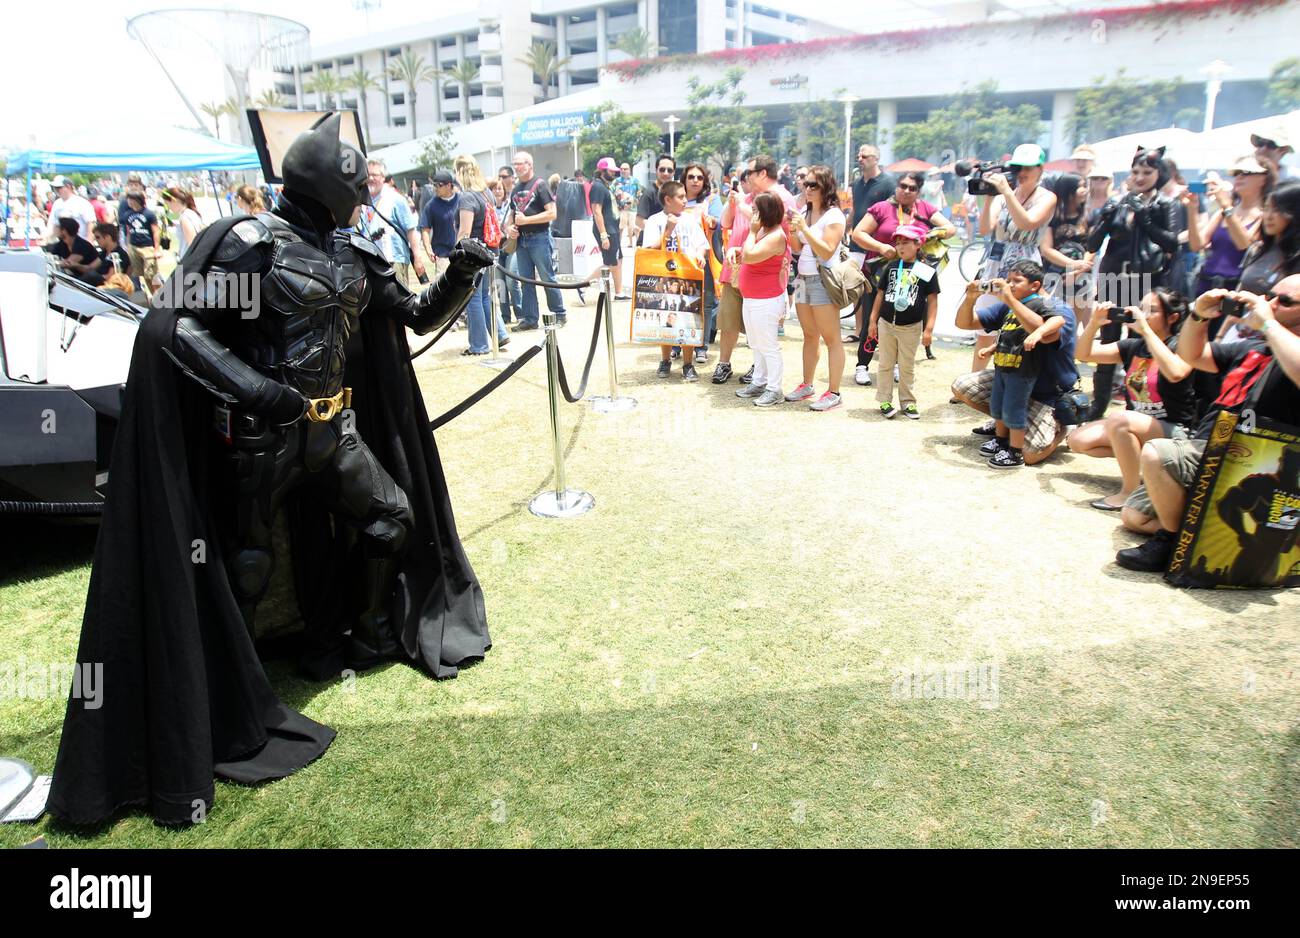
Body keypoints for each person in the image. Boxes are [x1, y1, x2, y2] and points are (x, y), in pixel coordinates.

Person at [46, 113, 495, 828]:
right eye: (353, 181)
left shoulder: (352, 251)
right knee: (243, 562)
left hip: (333, 429)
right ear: (325, 184)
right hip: (261, 438)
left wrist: (463, 273)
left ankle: (368, 634)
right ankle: (237, 684)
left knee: (391, 518)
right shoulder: (250, 247)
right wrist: (257, 391)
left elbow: (412, 313)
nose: (362, 192)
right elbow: (174, 327)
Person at [1116, 277, 1300, 571]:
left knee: (1155, 454)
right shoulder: (1250, 347)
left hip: (1252, 457)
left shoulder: (1284, 346)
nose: (1272, 303)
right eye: (1271, 295)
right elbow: (1192, 355)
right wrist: (1199, 315)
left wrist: (1268, 324)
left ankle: (1172, 541)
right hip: (1206, 447)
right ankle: (1200, 528)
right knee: (1134, 517)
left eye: (1285, 301)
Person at [1068, 290, 1197, 509]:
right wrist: (1094, 324)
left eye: (1151, 311)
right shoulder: (1134, 347)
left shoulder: (1183, 346)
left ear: (1173, 317)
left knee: (1120, 420)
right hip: (1137, 424)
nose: (1142, 315)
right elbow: (1083, 354)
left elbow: (1176, 373)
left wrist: (1146, 331)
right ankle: (1145, 469)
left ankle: (1129, 491)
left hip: (1176, 430)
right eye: (1141, 308)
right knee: (1078, 441)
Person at [1084, 147, 1181, 420]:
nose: (1140, 177)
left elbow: (1171, 242)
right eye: (1136, 172)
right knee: (1108, 342)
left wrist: (1145, 217)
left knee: (1141, 346)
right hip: (1114, 281)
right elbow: (1091, 244)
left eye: (1147, 172)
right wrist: (1104, 219)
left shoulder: (1166, 204)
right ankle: (1098, 404)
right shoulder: (1119, 203)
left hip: (1146, 284)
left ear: (1159, 174)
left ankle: (1134, 405)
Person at [953, 262, 1078, 467]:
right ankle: (1004, 431)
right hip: (1010, 373)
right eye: (1008, 280)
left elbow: (1046, 335)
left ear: (1035, 285)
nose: (1009, 285)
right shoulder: (1010, 305)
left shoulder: (1056, 308)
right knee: (963, 386)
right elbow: (965, 323)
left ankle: (1062, 427)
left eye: (1016, 281)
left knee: (1030, 455)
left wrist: (1010, 300)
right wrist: (970, 299)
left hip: (1047, 393)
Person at [850, 171, 955, 386]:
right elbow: (858, 233)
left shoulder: (925, 209)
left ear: (919, 191)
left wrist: (929, 236)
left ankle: (898, 365)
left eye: (912, 188)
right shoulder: (881, 208)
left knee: (906, 320)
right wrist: (881, 247)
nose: (906, 191)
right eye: (903, 186)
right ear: (896, 186)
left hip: (913, 278)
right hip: (881, 274)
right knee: (874, 318)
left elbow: (950, 228)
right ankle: (863, 365)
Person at [970, 144, 1058, 374]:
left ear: (1040, 168)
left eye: (1028, 167)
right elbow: (985, 227)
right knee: (986, 324)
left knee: (1019, 321)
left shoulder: (1046, 197)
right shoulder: (1003, 196)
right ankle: (974, 378)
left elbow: (1027, 222)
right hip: (996, 261)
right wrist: (990, 195)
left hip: (1025, 264)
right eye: (1018, 166)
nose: (1022, 172)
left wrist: (1007, 193)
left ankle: (1014, 374)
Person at [785, 165, 848, 411]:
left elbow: (826, 250)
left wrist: (803, 229)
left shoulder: (834, 216)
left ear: (825, 187)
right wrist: (794, 232)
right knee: (809, 334)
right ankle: (807, 384)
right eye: (805, 184)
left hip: (823, 280)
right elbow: (799, 249)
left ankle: (834, 392)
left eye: (813, 185)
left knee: (832, 338)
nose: (807, 188)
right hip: (802, 278)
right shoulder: (804, 211)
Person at [867, 224, 940, 420]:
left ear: (918, 244)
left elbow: (932, 301)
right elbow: (880, 294)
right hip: (886, 324)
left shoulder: (925, 270)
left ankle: (908, 402)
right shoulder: (891, 267)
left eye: (905, 243)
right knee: (885, 363)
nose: (900, 247)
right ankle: (884, 399)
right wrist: (873, 321)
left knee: (907, 366)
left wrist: (929, 329)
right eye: (897, 243)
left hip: (911, 327)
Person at [642, 180, 708, 382]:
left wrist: (700, 255)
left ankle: (688, 364)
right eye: (680, 197)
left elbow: (701, 244)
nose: (685, 200)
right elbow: (649, 249)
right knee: (666, 319)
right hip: (664, 278)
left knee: (689, 320)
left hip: (688, 276)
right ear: (667, 200)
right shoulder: (654, 220)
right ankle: (665, 360)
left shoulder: (689, 220)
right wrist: (668, 231)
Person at [734, 192, 794, 407]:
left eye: (757, 210)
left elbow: (750, 255)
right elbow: (749, 254)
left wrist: (751, 232)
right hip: (753, 298)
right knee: (756, 344)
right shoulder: (765, 232)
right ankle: (759, 382)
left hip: (766, 300)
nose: (753, 214)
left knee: (768, 346)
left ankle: (774, 388)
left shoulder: (776, 235)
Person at [503, 150, 567, 330]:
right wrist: (510, 228)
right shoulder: (515, 190)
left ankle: (559, 314)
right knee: (526, 281)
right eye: (514, 164)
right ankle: (530, 318)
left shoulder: (540, 185)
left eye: (520, 163)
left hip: (539, 237)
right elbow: (512, 214)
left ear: (529, 165)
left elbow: (552, 213)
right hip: (522, 240)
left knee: (547, 277)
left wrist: (527, 220)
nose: (516, 167)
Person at [453, 154, 509, 357]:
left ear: (460, 172)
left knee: (473, 298)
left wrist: (456, 254)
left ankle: (479, 345)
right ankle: (499, 334)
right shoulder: (486, 193)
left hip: (474, 254)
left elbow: (464, 232)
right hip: (491, 251)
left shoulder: (468, 196)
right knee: (485, 296)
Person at [712, 168, 755, 384]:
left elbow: (760, 220)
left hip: (757, 270)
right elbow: (725, 223)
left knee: (757, 324)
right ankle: (724, 363)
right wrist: (731, 204)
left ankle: (759, 365)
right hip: (733, 267)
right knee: (728, 319)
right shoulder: (739, 201)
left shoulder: (769, 199)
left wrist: (740, 205)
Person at [359, 158, 428, 289]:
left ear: (383, 177)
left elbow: (411, 231)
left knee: (398, 299)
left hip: (394, 258)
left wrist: (418, 257)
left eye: (375, 175)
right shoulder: (363, 199)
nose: (371, 178)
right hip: (371, 259)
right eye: (368, 175)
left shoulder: (395, 199)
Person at [683, 162, 724, 364]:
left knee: (706, 304)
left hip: (704, 260)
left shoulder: (712, 200)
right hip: (680, 261)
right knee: (680, 302)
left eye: (699, 177)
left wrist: (713, 222)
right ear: (684, 179)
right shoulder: (678, 199)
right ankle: (676, 344)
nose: (695, 180)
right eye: (691, 177)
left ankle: (701, 346)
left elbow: (720, 220)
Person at [590, 156, 626, 297]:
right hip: (606, 229)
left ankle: (619, 292)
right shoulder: (598, 187)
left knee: (618, 260)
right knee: (611, 262)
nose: (613, 173)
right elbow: (596, 211)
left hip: (612, 227)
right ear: (602, 170)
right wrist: (603, 235)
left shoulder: (605, 186)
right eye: (611, 171)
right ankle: (584, 285)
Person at [420, 169, 461, 279]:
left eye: (439, 185)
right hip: (442, 255)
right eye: (434, 185)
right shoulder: (431, 205)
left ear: (449, 185)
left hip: (461, 254)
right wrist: (428, 250)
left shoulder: (461, 200)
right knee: (443, 291)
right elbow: (425, 229)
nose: (435, 188)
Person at [120, 191, 162, 290]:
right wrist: (128, 246)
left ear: (138, 200)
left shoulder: (148, 214)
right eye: (128, 199)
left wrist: (156, 249)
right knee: (140, 274)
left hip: (147, 246)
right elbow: (128, 231)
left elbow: (156, 231)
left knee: (152, 274)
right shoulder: (127, 214)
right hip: (134, 246)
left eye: (131, 199)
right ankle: (153, 296)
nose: (129, 201)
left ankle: (161, 296)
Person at [636, 153, 676, 245]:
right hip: (650, 246)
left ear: (674, 172)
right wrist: (661, 231)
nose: (666, 173)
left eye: (669, 170)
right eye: (662, 169)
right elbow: (638, 221)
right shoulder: (649, 193)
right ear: (656, 170)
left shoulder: (675, 193)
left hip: (668, 244)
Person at [45, 176, 97, 247]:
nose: (56, 190)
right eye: (55, 188)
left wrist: (89, 243)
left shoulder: (82, 203)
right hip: (64, 244)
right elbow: (53, 224)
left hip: (81, 243)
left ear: (68, 187)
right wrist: (46, 237)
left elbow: (91, 224)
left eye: (59, 188)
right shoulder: (56, 204)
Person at [160, 187, 205, 261]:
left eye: (167, 204)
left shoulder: (185, 218)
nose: (168, 208)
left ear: (173, 201)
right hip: (186, 259)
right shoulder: (191, 213)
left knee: (178, 273)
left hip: (188, 262)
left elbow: (192, 244)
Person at [613, 162, 642, 248]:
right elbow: (611, 192)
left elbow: (639, 193)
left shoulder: (635, 181)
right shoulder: (616, 181)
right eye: (621, 169)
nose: (623, 171)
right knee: (620, 227)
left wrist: (636, 201)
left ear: (629, 170)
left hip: (633, 209)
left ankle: (636, 244)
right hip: (621, 209)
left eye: (625, 169)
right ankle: (618, 244)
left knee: (634, 227)